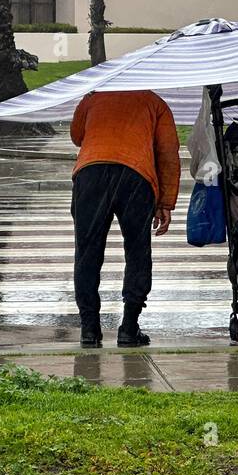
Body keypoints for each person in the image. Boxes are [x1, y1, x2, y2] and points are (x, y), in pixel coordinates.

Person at [70, 89, 180, 348]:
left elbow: (77, 136)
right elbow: (167, 152)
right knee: (137, 251)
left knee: (86, 254)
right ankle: (129, 328)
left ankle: (89, 329)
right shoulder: (154, 102)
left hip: (90, 174)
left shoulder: (92, 98)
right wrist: (165, 202)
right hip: (136, 176)